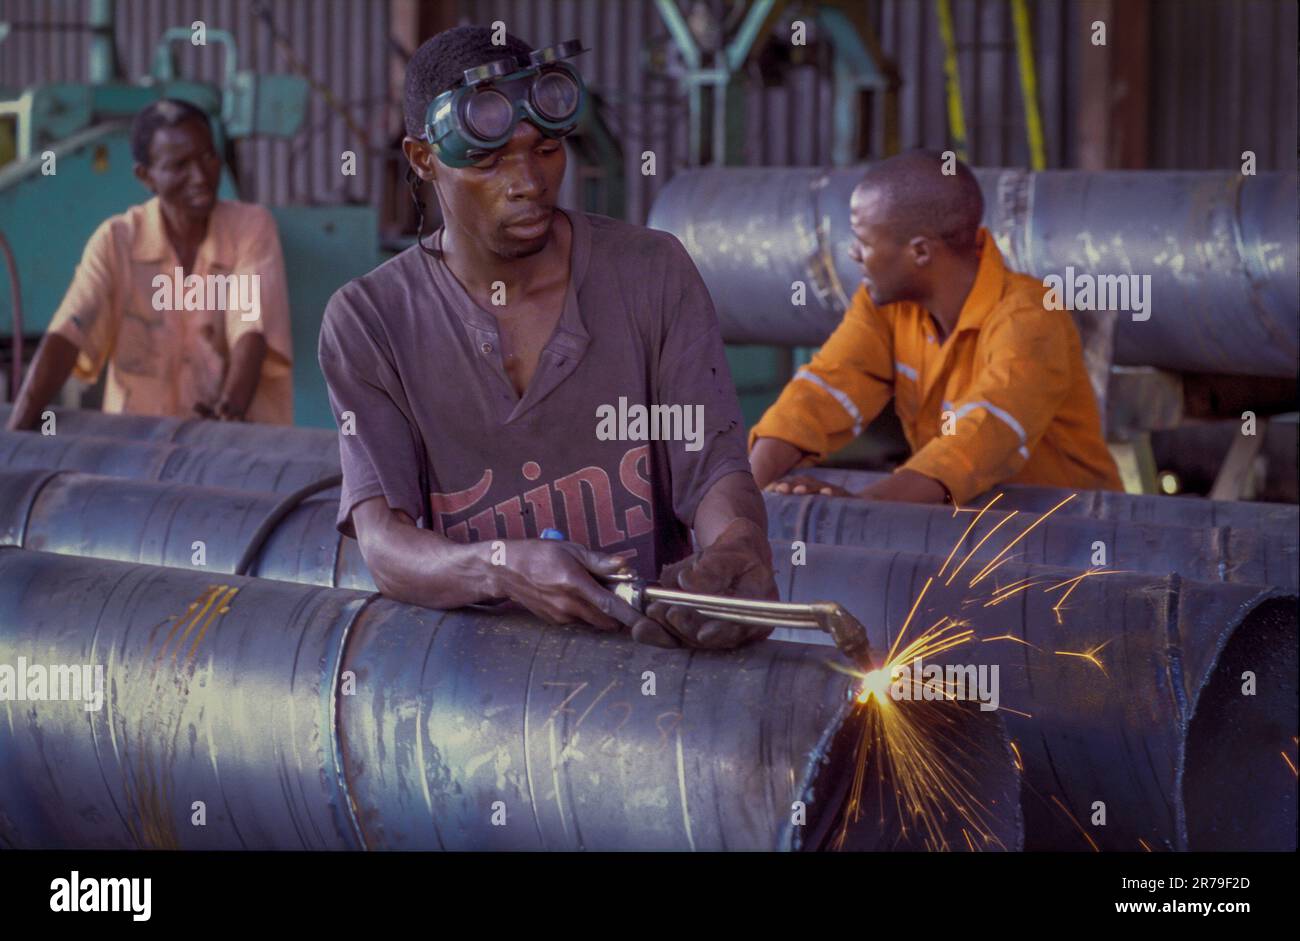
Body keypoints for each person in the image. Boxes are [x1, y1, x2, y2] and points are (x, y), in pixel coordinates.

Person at [318, 25, 775, 650]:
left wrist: (738, 545)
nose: (529, 181)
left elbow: (713, 468)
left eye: (547, 149)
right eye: (489, 160)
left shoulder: (651, 273)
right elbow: (384, 546)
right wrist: (500, 567)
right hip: (465, 677)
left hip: (646, 659)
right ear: (423, 159)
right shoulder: (370, 320)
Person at [749, 150, 1122, 506]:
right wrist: (746, 490)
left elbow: (984, 432)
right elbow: (824, 389)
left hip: (1071, 531)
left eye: (864, 242)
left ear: (921, 252)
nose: (853, 253)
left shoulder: (1031, 317)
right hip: (972, 526)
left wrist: (865, 508)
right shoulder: (887, 307)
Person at [5, 98, 293, 431]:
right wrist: (15, 434)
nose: (200, 176)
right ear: (146, 176)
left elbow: (249, 328)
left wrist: (229, 413)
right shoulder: (116, 241)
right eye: (180, 165)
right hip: (138, 446)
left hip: (233, 444)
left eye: (208, 157)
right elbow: (69, 333)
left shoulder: (251, 227)